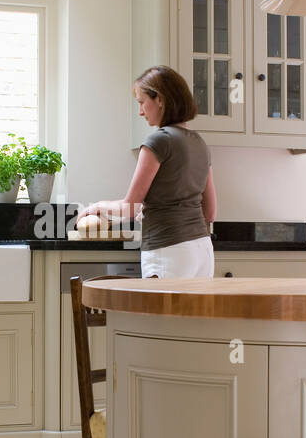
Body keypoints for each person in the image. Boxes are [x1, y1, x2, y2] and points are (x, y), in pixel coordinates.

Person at [78, 65, 216, 278]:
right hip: (202, 251)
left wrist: (95, 207)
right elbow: (209, 213)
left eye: (142, 102)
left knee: (161, 312)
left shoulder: (159, 141)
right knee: (195, 313)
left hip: (170, 250)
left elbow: (129, 208)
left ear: (159, 99)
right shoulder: (200, 143)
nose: (140, 111)